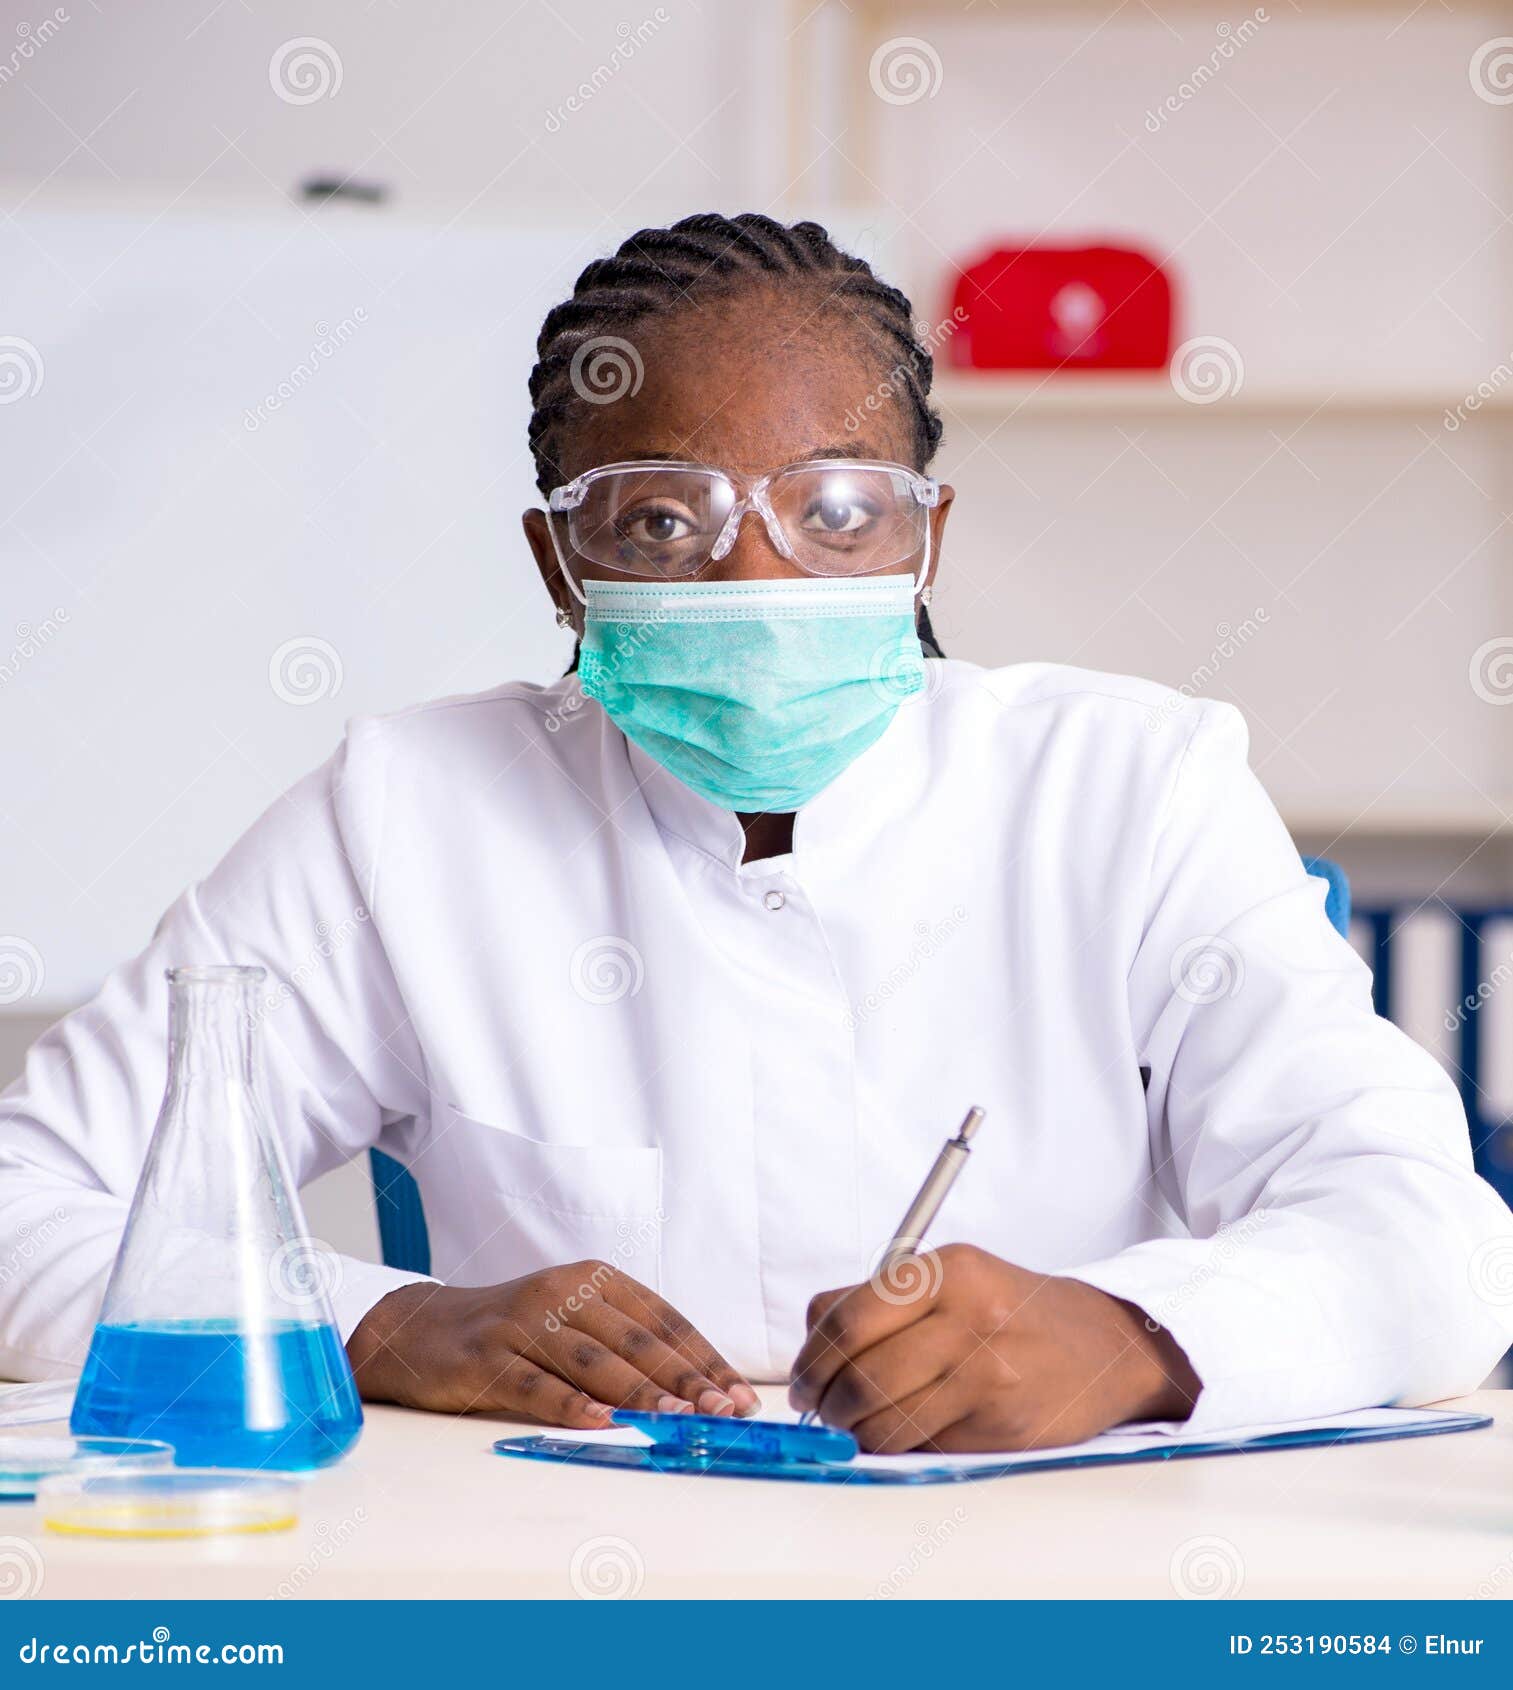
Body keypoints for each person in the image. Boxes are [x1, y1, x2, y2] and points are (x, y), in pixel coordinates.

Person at [2, 211, 1510, 1454]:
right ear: (559, 561)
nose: (751, 574)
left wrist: (1136, 1341)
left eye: (837, 511)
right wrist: (380, 1322)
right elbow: (29, 1207)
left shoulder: (1129, 784)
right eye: (661, 520)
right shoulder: (405, 812)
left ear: (925, 535)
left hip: (1044, 1567)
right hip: (562, 1572)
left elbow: (1434, 1240)